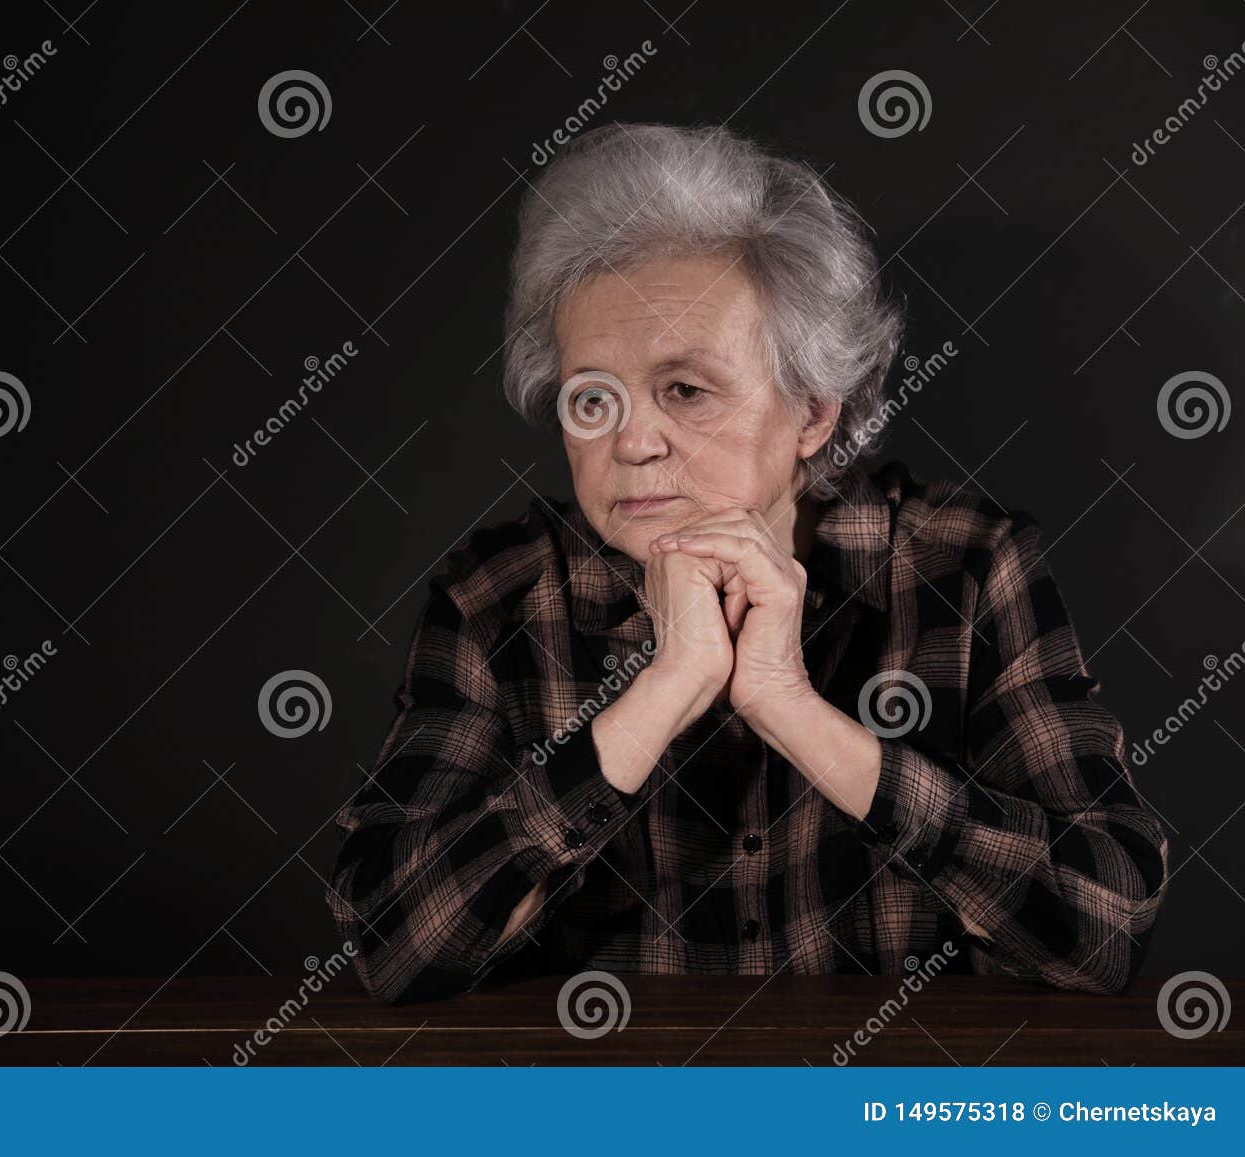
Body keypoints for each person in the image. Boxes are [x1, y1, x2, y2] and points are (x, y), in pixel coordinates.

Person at [324, 123, 1168, 1004]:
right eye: (592, 398)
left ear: (811, 413)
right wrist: (659, 695)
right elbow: (391, 944)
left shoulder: (965, 564)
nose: (633, 442)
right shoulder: (498, 596)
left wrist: (793, 709)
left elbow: (1104, 931)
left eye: (685, 390)